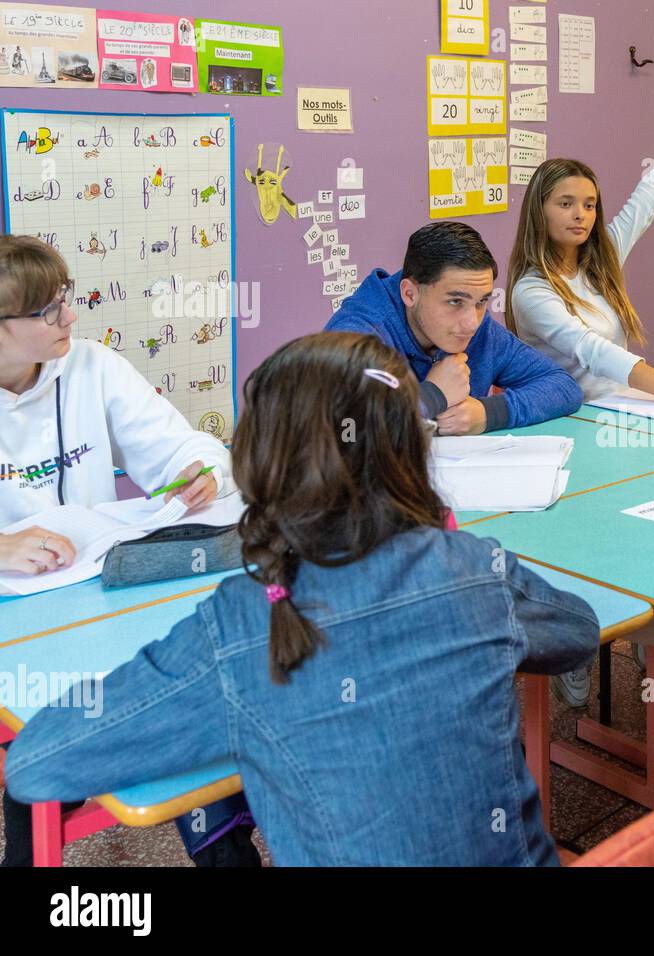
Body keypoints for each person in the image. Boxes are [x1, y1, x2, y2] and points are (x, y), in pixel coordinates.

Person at [4, 332, 600, 865]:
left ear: (262, 464)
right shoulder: (473, 567)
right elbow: (576, 631)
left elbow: (37, 763)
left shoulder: (243, 623)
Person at [0, 234, 254, 866]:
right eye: (49, 311)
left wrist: (198, 469)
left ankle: (224, 848)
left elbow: (179, 448)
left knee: (191, 693)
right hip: (16, 623)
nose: (70, 317)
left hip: (97, 595)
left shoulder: (90, 365)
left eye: (66, 299)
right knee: (49, 736)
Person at [505, 77, 654, 410]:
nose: (580, 215)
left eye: (589, 205)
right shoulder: (531, 291)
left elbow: (648, 197)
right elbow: (592, 350)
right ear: (538, 211)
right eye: (565, 204)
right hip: (575, 417)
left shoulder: (601, 259)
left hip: (623, 408)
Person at [326, 221, 582, 435]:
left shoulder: (478, 327)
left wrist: (487, 414)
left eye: (482, 302)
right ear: (409, 293)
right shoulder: (358, 333)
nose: (472, 322)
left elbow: (562, 386)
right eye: (454, 302)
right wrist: (432, 395)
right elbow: (347, 429)